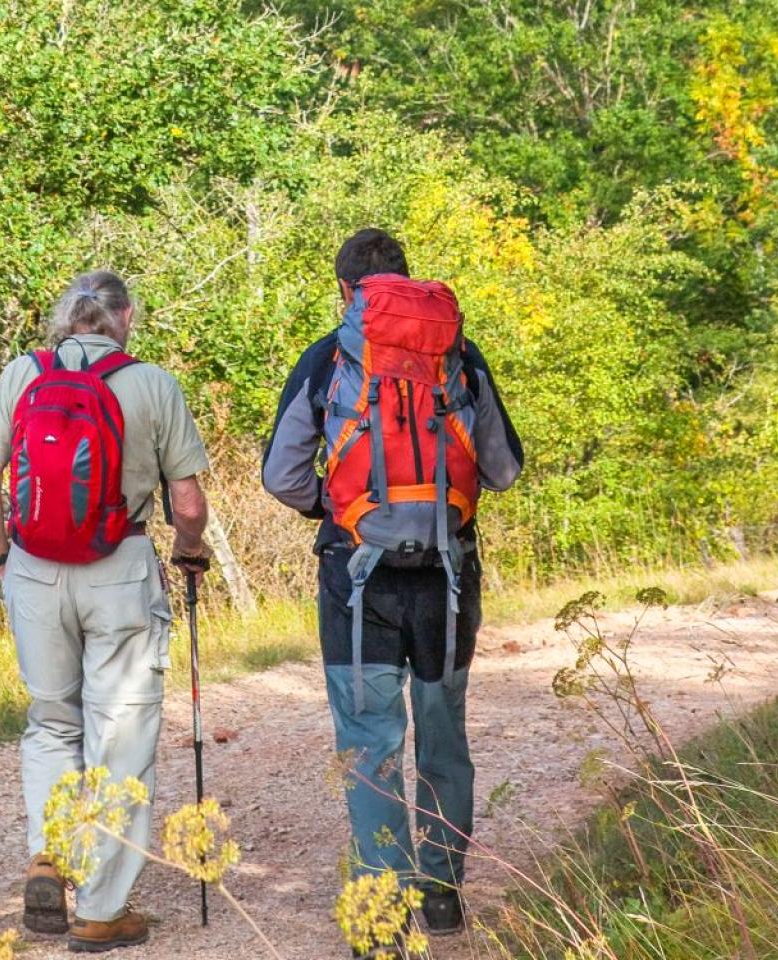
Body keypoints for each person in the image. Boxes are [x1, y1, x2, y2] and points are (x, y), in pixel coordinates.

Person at [261, 229, 523, 944]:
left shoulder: (328, 358)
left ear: (346, 292)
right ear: (408, 281)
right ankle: (441, 891)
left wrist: (342, 505)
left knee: (370, 743)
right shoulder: (459, 355)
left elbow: (280, 474)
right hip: (448, 574)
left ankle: (379, 917)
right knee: (441, 731)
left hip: (356, 578)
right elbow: (502, 469)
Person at [0, 270, 213, 952]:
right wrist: (190, 551)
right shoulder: (152, 383)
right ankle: (102, 910)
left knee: (51, 721)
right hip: (120, 567)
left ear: (65, 318)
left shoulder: (24, 373)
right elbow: (187, 505)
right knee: (121, 734)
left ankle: (50, 854)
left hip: (35, 570)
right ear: (124, 316)